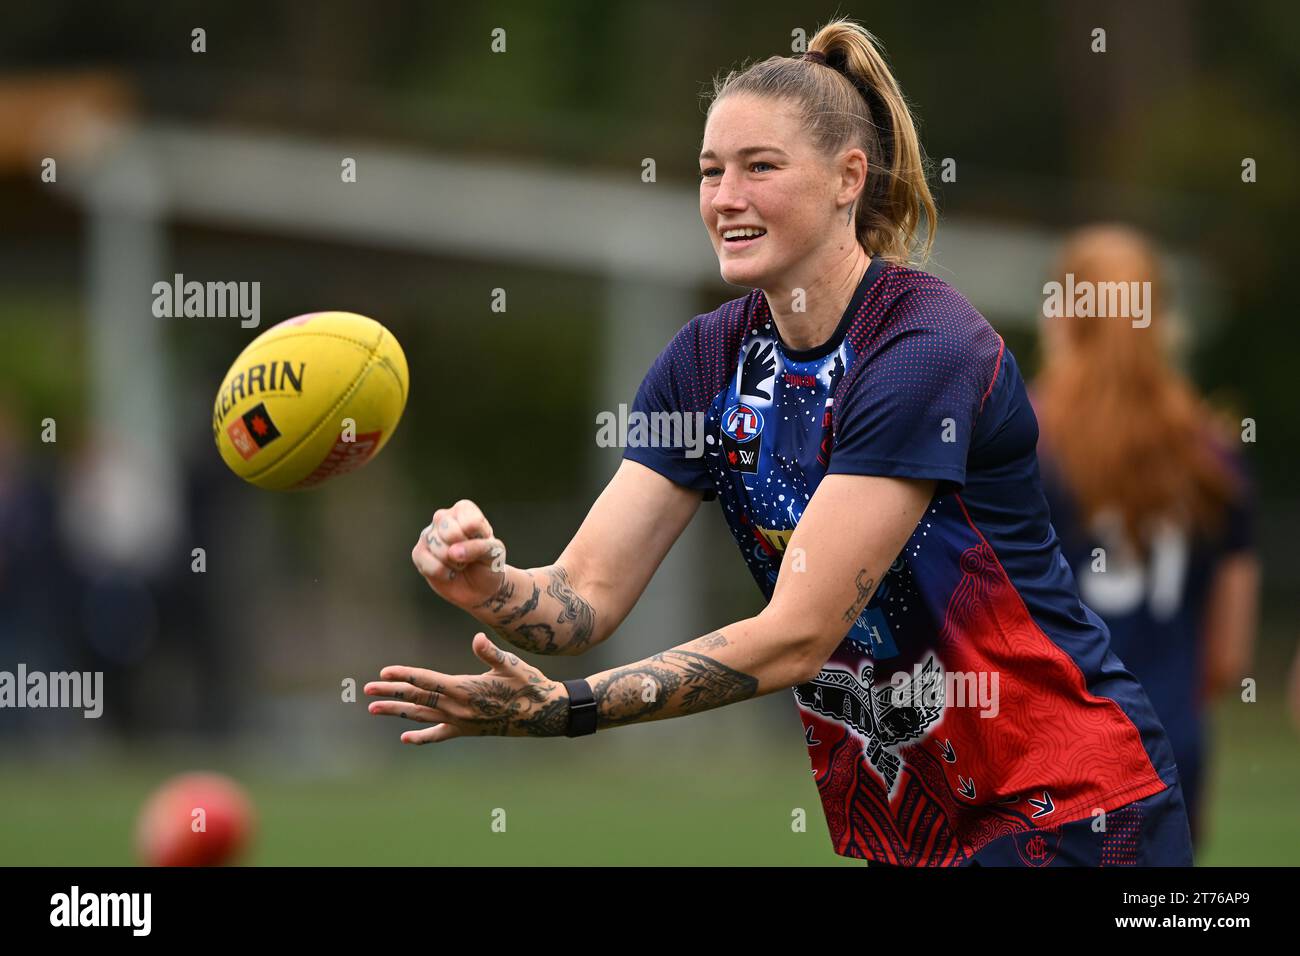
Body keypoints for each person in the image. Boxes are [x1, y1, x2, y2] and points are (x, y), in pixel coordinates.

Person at [365, 18, 1192, 867]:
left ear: (847, 178)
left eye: (760, 167)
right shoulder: (704, 360)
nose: (726, 197)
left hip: (1072, 807)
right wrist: (490, 584)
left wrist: (570, 708)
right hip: (914, 828)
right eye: (710, 171)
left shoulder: (924, 348)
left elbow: (800, 632)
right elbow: (585, 596)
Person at [1032, 223, 1260, 849]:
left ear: (1061, 316)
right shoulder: (1214, 458)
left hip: (1048, 757)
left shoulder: (1021, 444)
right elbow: (1227, 659)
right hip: (1169, 750)